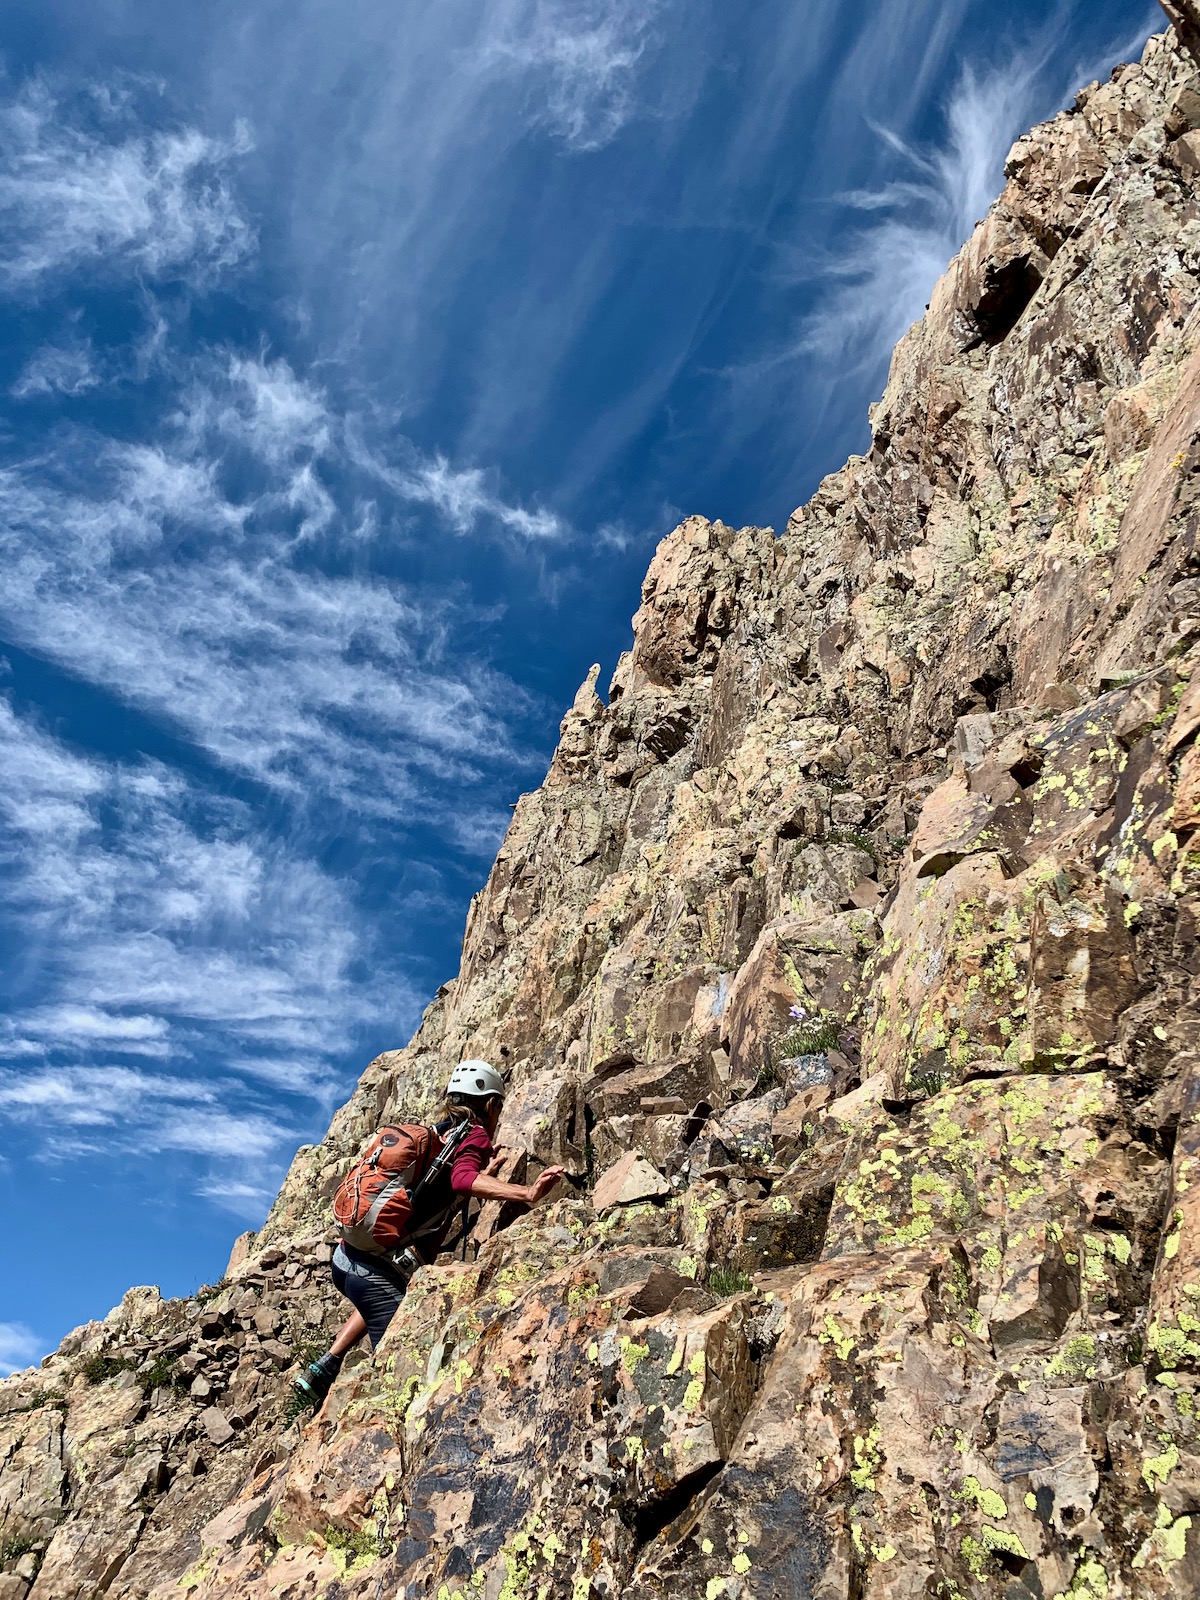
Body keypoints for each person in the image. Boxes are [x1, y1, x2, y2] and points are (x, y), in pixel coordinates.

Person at [293, 1060, 564, 1408]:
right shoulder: (475, 1134)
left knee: (385, 1293)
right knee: (396, 1378)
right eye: (499, 1105)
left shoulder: (441, 1132)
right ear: (491, 1104)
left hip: (347, 1260)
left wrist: (484, 1171)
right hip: (372, 1272)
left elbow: (443, 1182)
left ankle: (325, 1367)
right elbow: (462, 1179)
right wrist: (526, 1193)